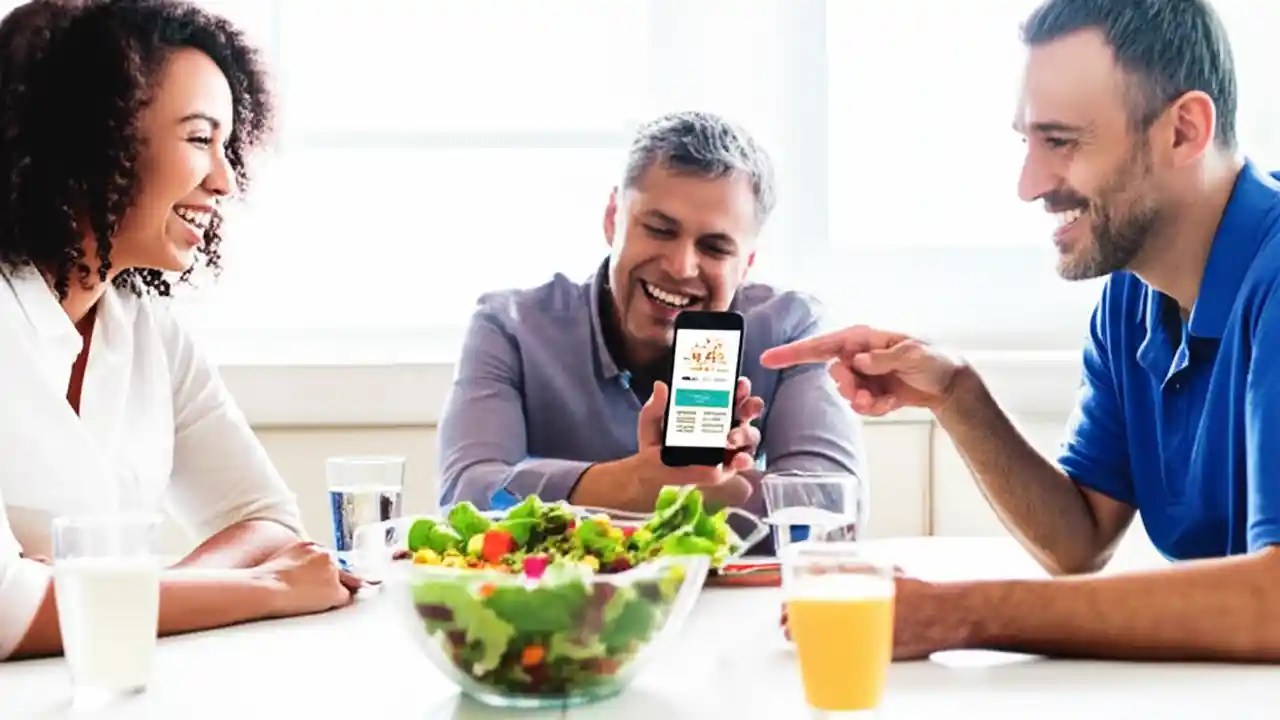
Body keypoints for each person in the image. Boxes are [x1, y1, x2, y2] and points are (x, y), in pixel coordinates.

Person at [766, 0, 1280, 662]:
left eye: (1061, 142)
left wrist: (960, 614)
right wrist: (956, 393)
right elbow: (1080, 541)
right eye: (1027, 141)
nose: (1029, 184)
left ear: (1182, 131)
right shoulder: (1134, 290)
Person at [0, 0, 358, 661]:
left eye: (228, 146)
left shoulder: (145, 328)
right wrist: (265, 590)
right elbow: (4, 609)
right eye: (199, 140)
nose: (224, 180)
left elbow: (268, 520)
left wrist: (118, 593)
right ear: (91, 139)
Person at [438, 111, 864, 520]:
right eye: (660, 230)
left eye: (715, 248)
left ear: (746, 263)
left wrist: (701, 484)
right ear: (612, 219)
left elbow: (832, 505)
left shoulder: (791, 329)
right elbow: (464, 495)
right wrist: (635, 485)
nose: (681, 267)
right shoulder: (510, 326)